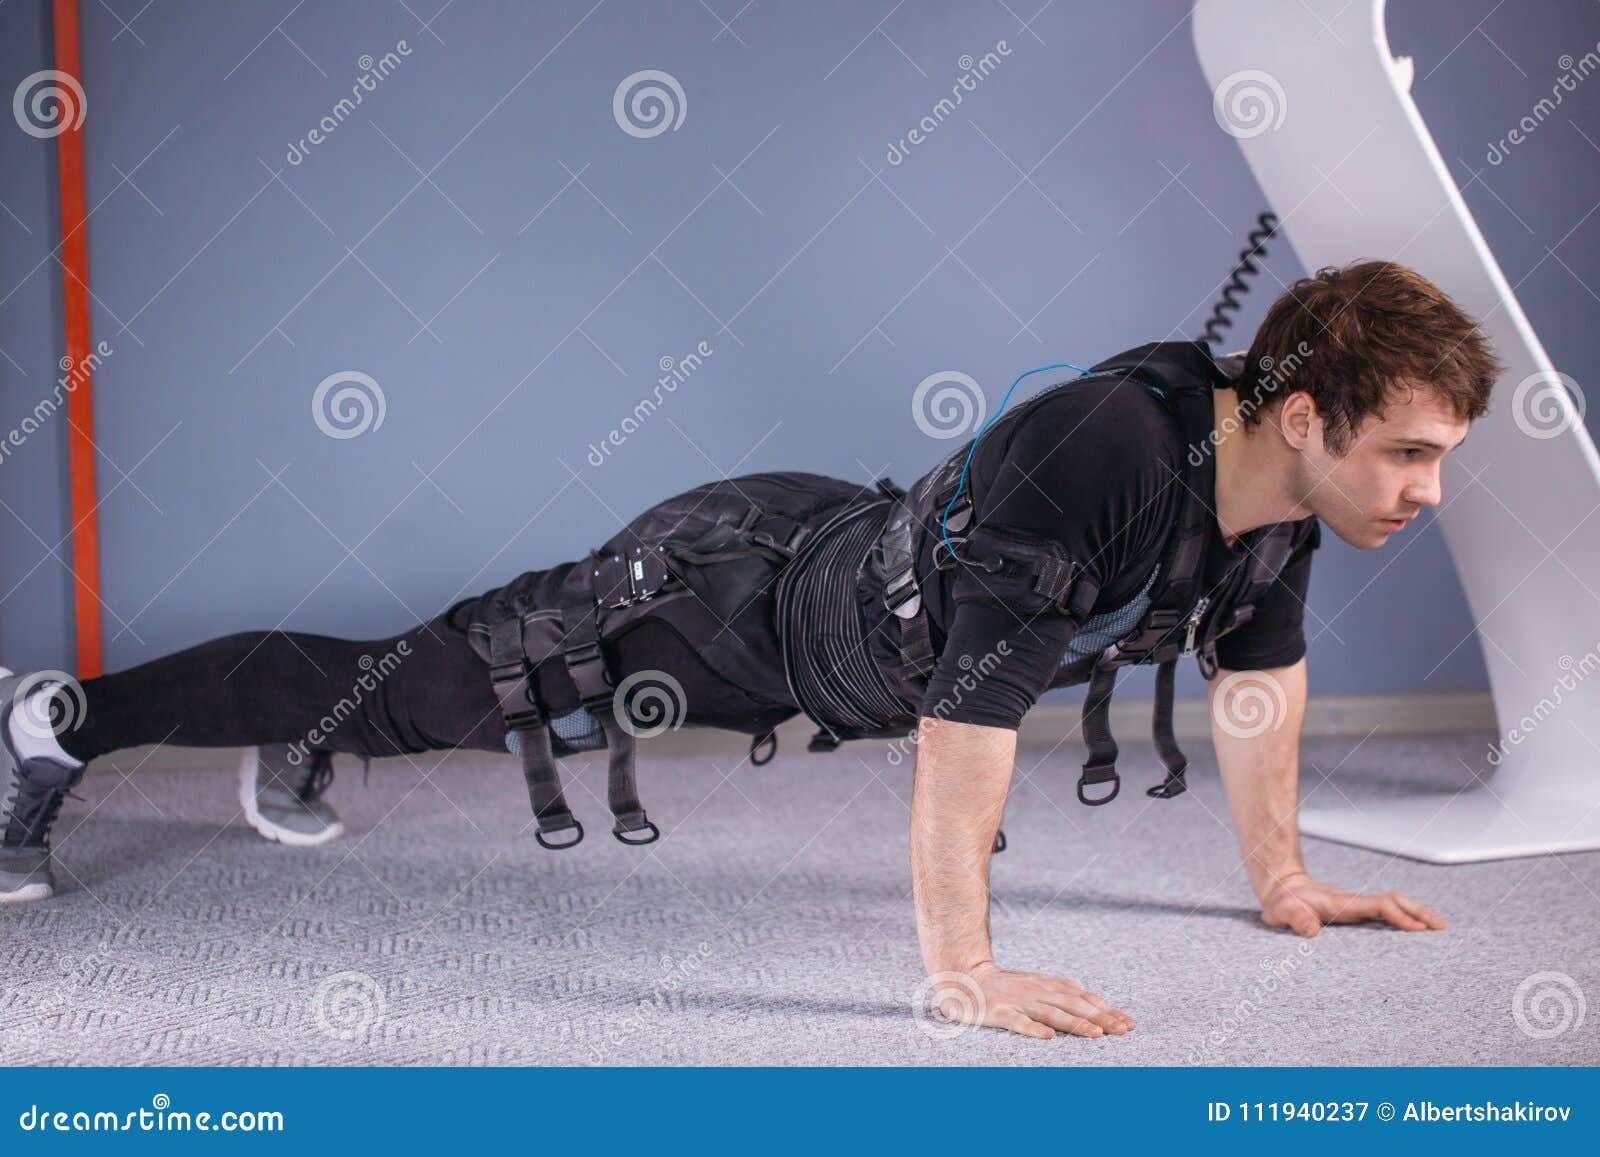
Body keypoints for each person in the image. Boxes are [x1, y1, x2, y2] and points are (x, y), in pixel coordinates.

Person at [1, 259, 1501, 1044]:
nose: (1428, 494)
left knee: (400, 698)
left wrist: (1284, 877)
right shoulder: (1105, 453)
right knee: (415, 694)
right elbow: (964, 728)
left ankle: (316, 730)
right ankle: (53, 723)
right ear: (1305, 414)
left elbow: (1262, 681)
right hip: (709, 601)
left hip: (827, 582)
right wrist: (963, 972)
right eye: (1411, 454)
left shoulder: (1286, 507)